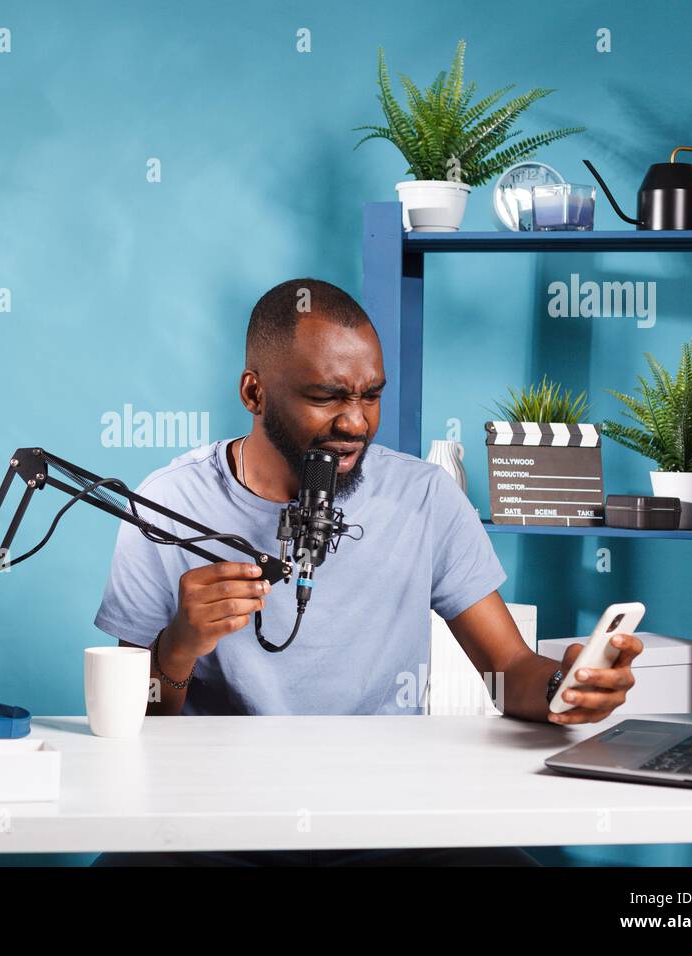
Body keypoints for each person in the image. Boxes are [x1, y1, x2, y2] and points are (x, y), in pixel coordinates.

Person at [90, 278, 642, 866]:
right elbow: (136, 725)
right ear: (255, 393)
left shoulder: (425, 497)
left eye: (371, 395)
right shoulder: (166, 505)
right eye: (326, 397)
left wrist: (566, 689)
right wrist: (178, 645)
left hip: (387, 822)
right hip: (218, 826)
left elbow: (507, 668)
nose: (356, 423)